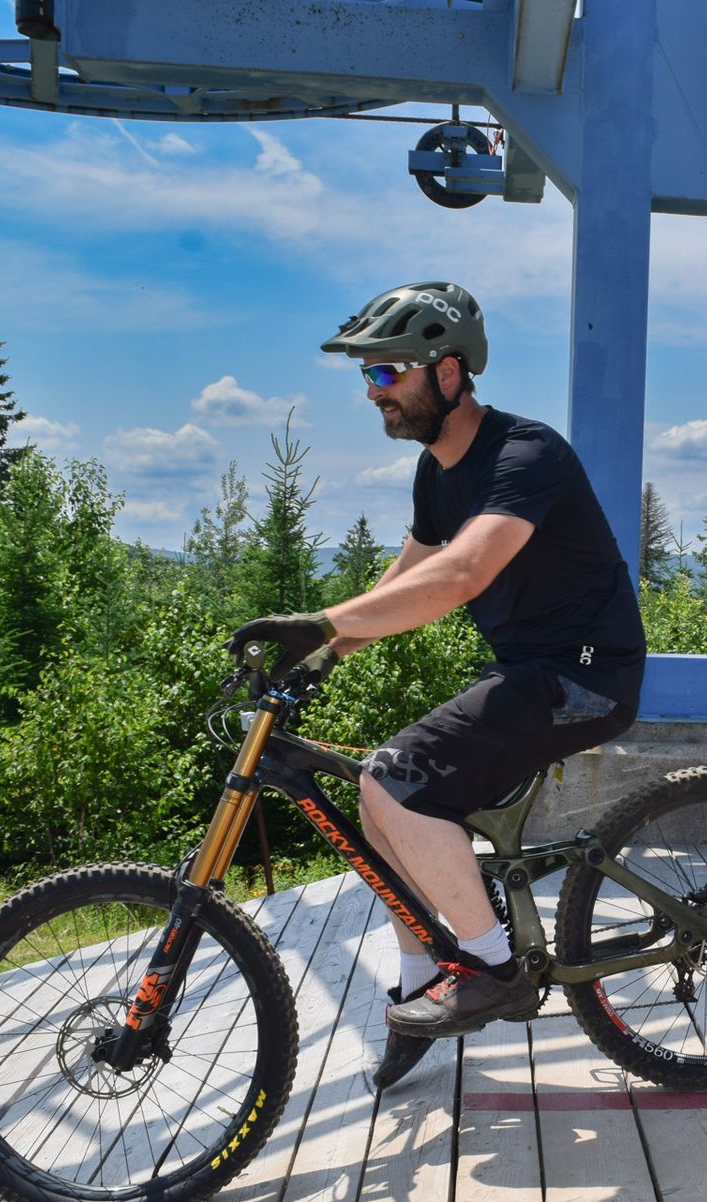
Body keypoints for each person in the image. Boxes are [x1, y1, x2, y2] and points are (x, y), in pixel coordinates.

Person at [230, 281, 645, 1089]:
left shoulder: (529, 454)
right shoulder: (436, 473)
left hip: (587, 675)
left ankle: (494, 968)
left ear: (449, 373)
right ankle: (422, 981)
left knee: (397, 781)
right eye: (368, 379)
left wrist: (317, 621)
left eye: (388, 375)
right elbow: (408, 577)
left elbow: (460, 573)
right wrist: (323, 653)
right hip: (528, 672)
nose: (373, 394)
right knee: (378, 804)